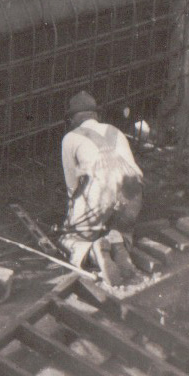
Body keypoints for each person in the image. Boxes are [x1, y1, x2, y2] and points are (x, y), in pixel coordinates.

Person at [58, 91, 145, 285]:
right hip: (133, 190)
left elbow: (72, 187)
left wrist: (71, 222)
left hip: (101, 192)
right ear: (95, 115)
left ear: (72, 119)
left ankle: (94, 253)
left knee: (68, 238)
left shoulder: (70, 138)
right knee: (122, 229)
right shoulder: (115, 130)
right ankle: (118, 241)